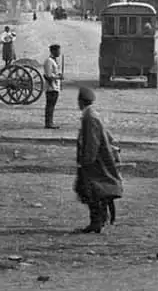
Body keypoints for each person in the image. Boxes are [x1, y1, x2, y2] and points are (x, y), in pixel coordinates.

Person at [72, 86, 123, 234]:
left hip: (95, 162)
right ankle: (100, 219)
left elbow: (92, 142)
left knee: (92, 191)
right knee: (94, 191)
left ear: (81, 102)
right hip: (98, 159)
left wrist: (86, 162)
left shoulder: (89, 117)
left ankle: (97, 222)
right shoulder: (93, 114)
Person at [43, 44, 63, 129]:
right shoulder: (49, 61)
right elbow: (48, 76)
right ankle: (48, 123)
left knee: (52, 106)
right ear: (53, 51)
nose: (59, 52)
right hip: (51, 87)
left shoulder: (54, 61)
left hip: (55, 87)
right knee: (50, 106)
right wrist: (59, 77)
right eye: (58, 51)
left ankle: (50, 122)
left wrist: (59, 75)